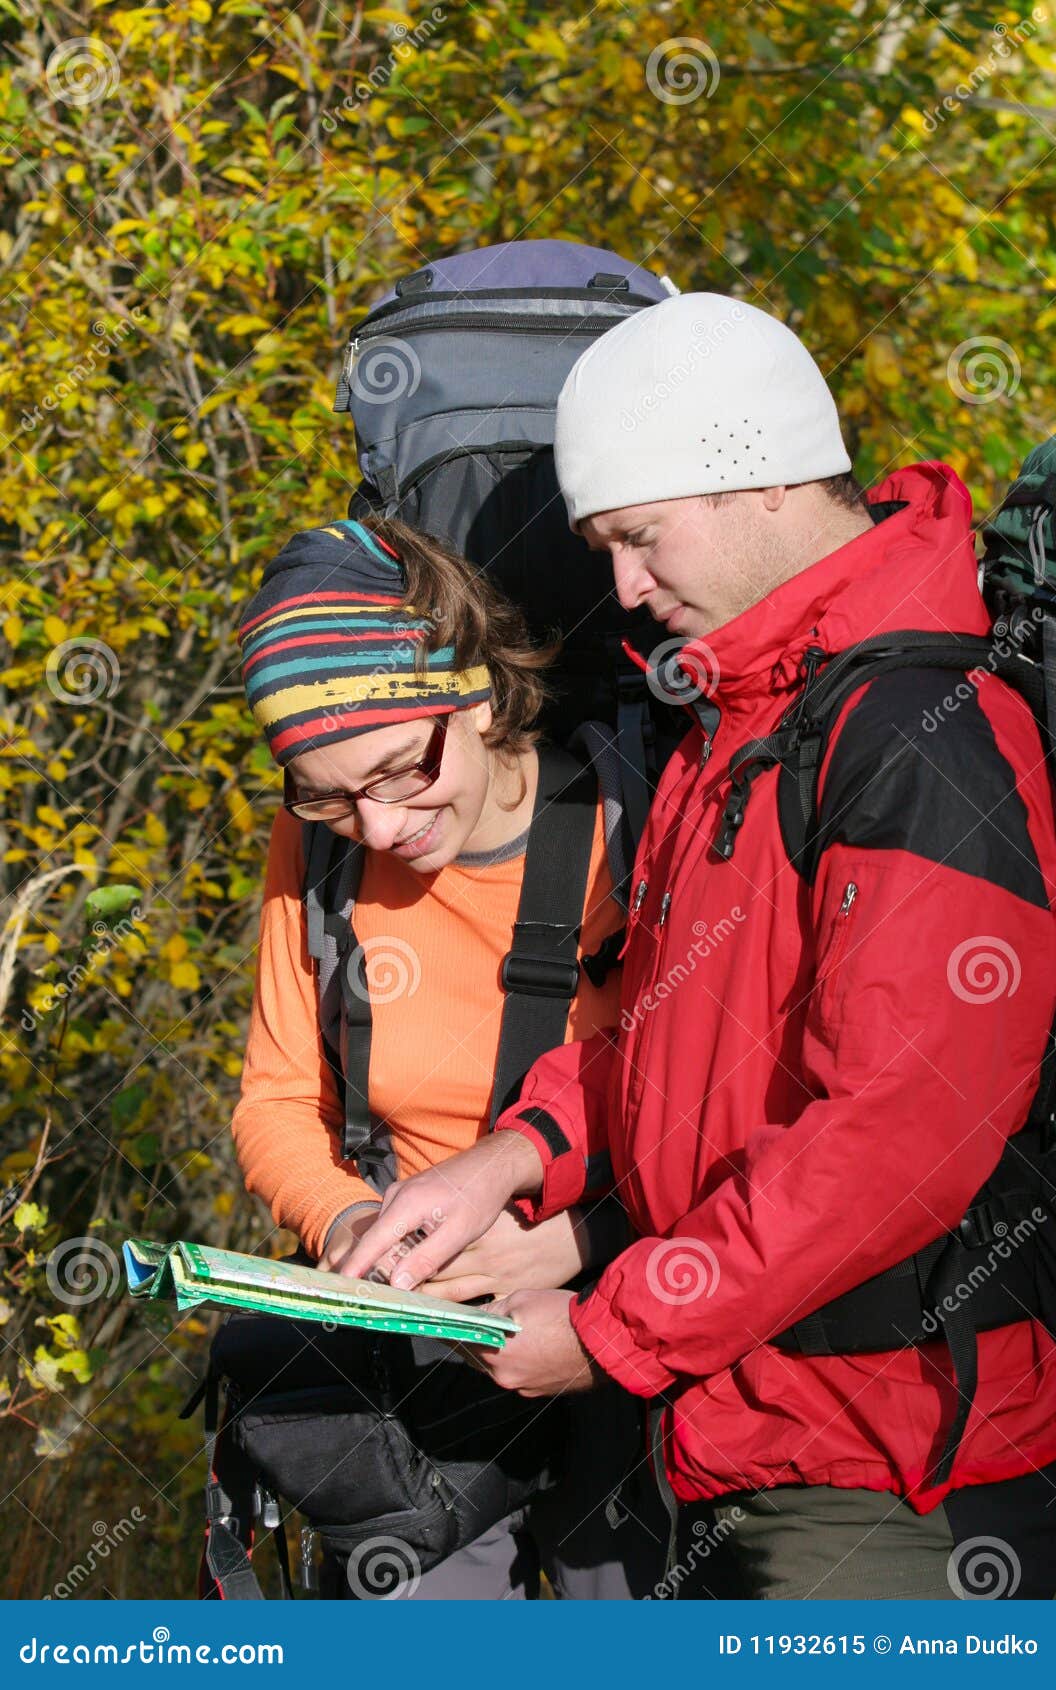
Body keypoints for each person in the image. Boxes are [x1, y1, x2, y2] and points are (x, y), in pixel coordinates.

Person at [343, 294, 1056, 1600]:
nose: (621, 586)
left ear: (756, 472)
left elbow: (902, 1125)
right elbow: (665, 1032)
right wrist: (513, 1158)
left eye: (637, 535)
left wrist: (615, 1330)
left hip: (892, 1474)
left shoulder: (919, 732)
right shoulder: (735, 724)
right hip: (731, 1429)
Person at [232, 512, 666, 1599]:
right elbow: (276, 1100)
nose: (376, 828)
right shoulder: (322, 848)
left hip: (618, 1317)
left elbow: (721, 1103)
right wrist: (347, 1224)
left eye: (397, 769)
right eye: (326, 791)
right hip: (415, 1372)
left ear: (473, 691)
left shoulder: (634, 821)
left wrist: (580, 1238)